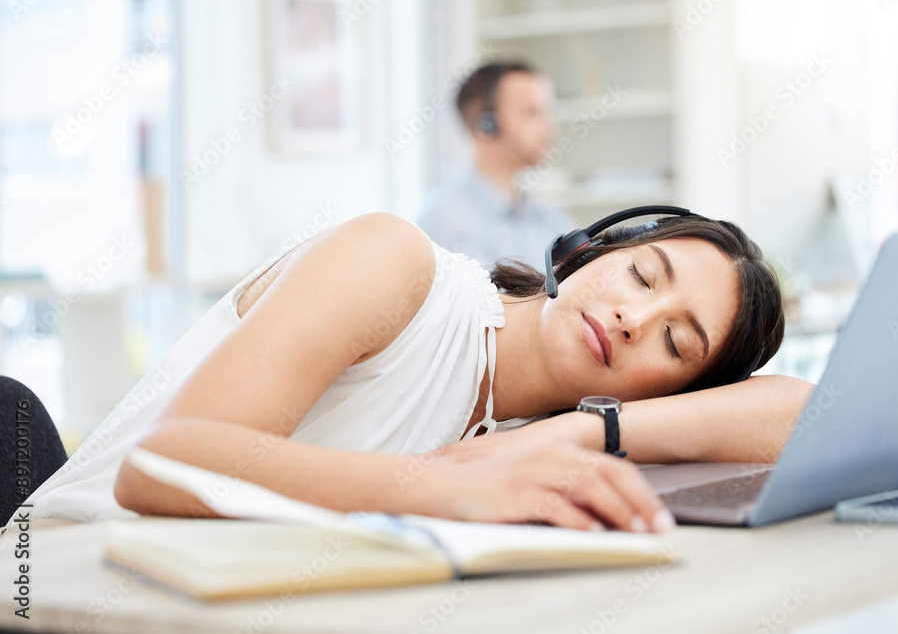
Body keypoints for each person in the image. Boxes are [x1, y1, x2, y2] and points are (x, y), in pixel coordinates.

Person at [2, 211, 813, 535]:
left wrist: (591, 426)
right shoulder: (398, 266)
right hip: (61, 588)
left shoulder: (539, 434)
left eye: (676, 345)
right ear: (592, 249)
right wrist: (436, 484)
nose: (637, 319)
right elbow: (162, 466)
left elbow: (806, 413)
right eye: (642, 276)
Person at [417, 62, 577, 270]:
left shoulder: (549, 215)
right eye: (532, 113)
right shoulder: (446, 221)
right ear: (487, 124)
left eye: (547, 112)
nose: (549, 128)